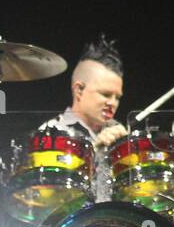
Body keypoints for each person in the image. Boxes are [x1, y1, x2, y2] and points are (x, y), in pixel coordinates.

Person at [41, 35, 128, 203]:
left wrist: (127, 152)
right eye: (105, 94)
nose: (113, 103)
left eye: (117, 97)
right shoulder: (50, 132)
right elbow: (46, 195)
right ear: (79, 90)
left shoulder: (118, 131)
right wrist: (93, 152)